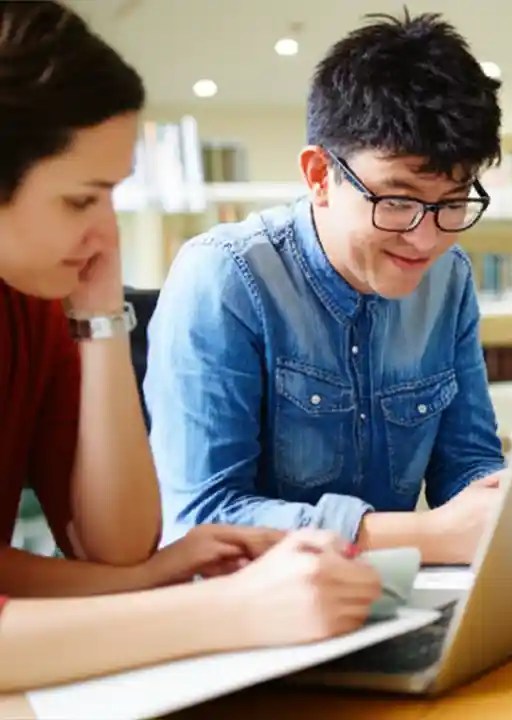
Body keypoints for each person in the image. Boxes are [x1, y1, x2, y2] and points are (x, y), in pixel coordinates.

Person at [145, 11, 512, 571]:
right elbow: (199, 518)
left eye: (453, 202)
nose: (426, 239)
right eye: (397, 201)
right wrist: (427, 535)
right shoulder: (223, 277)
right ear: (319, 176)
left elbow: (467, 467)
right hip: (254, 610)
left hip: (393, 597)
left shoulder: (448, 276)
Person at [0, 0, 380, 691]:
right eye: (82, 200)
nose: (106, 234)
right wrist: (229, 611)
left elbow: (113, 548)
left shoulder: (33, 300)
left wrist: (100, 318)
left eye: (112, 197)